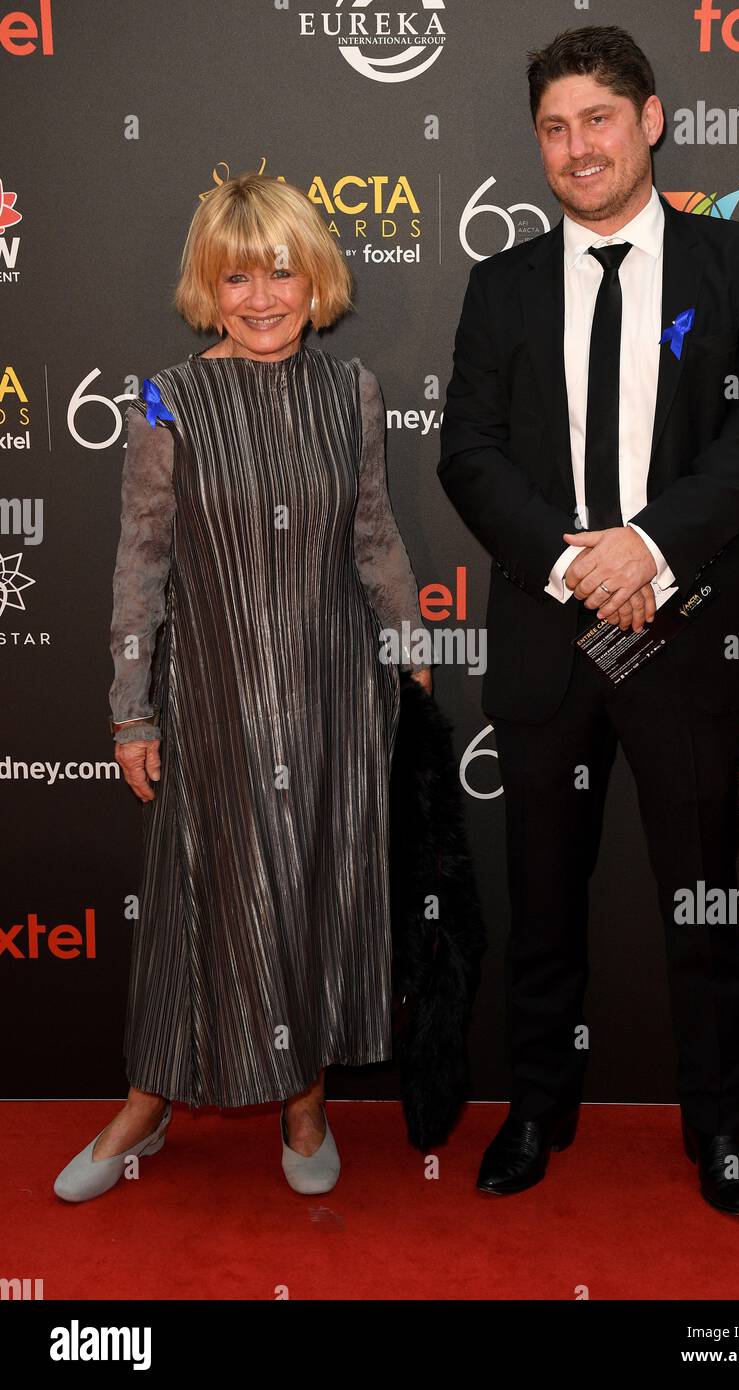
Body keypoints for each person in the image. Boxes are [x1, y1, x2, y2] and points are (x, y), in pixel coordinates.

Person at [438, 26, 739, 1213]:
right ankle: (536, 1109)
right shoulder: (500, 285)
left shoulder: (736, 264)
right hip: (555, 634)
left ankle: (718, 1129)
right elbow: (468, 454)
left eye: (597, 118)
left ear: (649, 120)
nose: (575, 146)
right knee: (542, 898)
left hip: (689, 628)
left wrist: (642, 550)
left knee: (702, 903)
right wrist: (571, 565)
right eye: (553, 127)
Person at [54, 171, 431, 1203]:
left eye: (280, 271)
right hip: (214, 699)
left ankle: (303, 1099)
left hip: (329, 693)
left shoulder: (347, 391)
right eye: (235, 277)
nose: (261, 297)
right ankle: (149, 1100)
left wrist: (410, 643)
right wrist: (132, 707)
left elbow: (371, 529)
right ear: (205, 289)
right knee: (191, 903)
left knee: (315, 890)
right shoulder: (167, 395)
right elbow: (141, 562)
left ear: (315, 277)